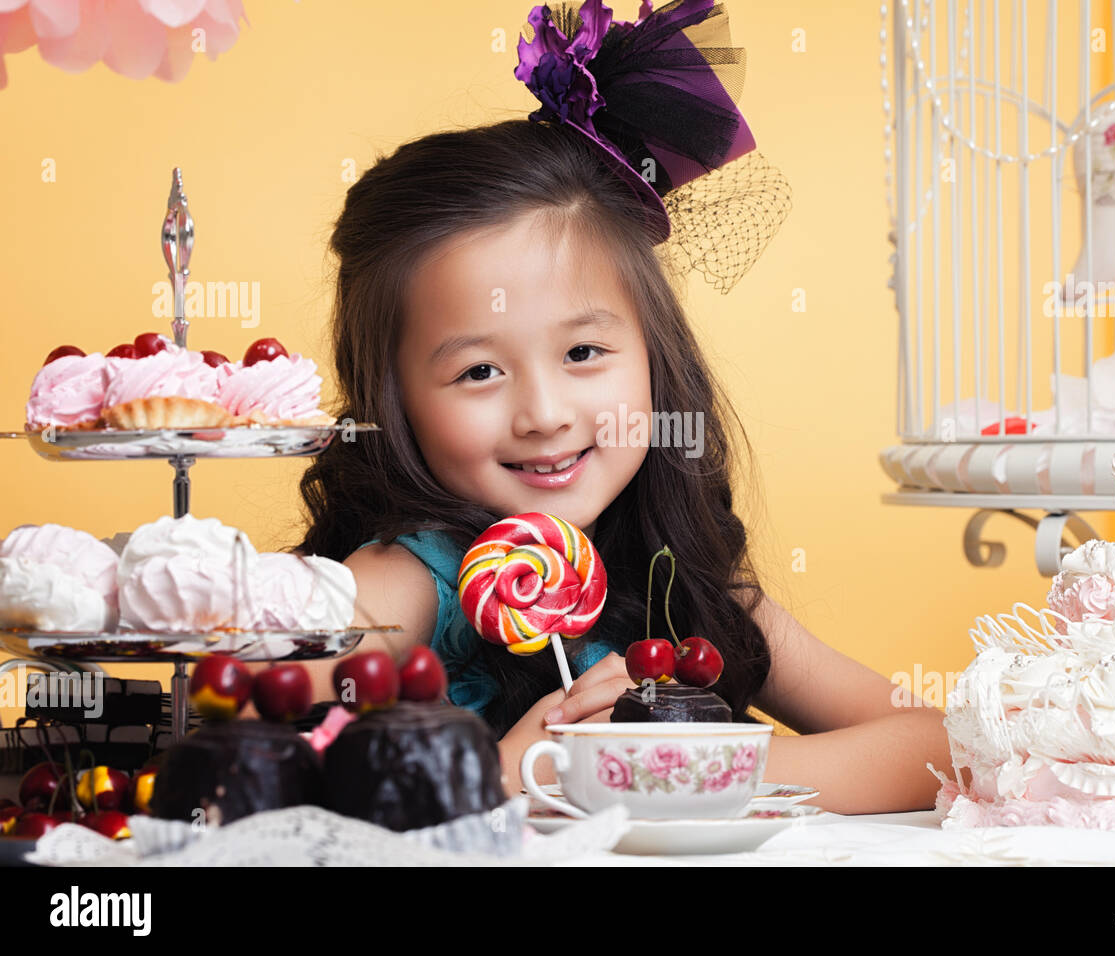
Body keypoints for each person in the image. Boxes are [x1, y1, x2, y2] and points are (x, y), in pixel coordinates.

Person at [292, 0, 955, 814]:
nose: (544, 413)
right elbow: (256, 778)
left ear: (654, 355)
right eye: (477, 372)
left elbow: (936, 746)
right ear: (393, 400)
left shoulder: (686, 586)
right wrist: (497, 778)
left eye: (582, 353)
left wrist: (678, 761)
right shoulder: (399, 586)